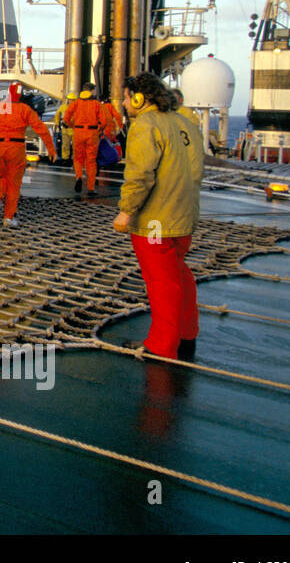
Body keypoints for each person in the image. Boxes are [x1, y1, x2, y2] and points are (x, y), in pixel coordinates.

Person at [112, 73, 204, 360]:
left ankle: (162, 346)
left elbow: (140, 175)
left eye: (127, 97)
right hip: (183, 217)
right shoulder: (186, 124)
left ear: (140, 98)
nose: (125, 103)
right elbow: (196, 172)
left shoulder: (145, 125)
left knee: (162, 283)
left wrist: (126, 210)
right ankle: (187, 335)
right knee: (180, 275)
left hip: (155, 221)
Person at [0, 82, 56, 228]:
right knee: (14, 183)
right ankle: (9, 218)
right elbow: (41, 128)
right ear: (20, 94)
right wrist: (51, 149)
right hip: (16, 147)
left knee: (2, 177)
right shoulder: (25, 109)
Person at [63, 83, 114, 197]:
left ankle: (78, 177)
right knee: (91, 161)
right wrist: (99, 130)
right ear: (91, 91)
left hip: (78, 132)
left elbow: (66, 117)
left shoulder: (76, 103)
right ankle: (91, 188)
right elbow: (104, 121)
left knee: (78, 158)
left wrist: (72, 125)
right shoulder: (96, 104)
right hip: (92, 133)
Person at [53, 92, 76, 163]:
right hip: (66, 129)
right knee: (65, 145)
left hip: (75, 129)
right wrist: (57, 124)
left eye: (73, 100)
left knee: (76, 146)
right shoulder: (63, 107)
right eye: (70, 100)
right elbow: (57, 115)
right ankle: (65, 159)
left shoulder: (78, 108)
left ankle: (75, 159)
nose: (71, 101)